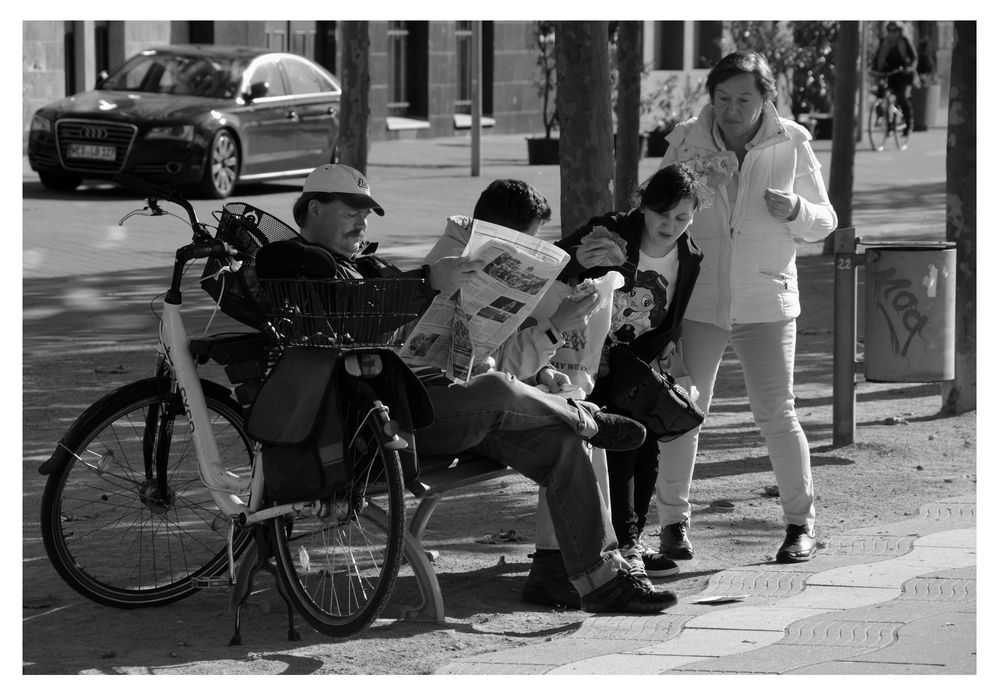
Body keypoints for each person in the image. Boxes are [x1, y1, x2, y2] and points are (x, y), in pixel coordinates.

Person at [257, 163, 679, 614]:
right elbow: (348, 308)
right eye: (351, 213)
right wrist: (426, 283)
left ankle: (599, 581)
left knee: (558, 441)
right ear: (315, 209)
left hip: (424, 401)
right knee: (499, 387)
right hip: (378, 424)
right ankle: (585, 417)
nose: (362, 224)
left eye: (367, 214)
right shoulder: (289, 262)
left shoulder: (361, 264)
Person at [654, 51, 838, 565]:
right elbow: (656, 210)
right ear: (710, 97)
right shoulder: (685, 139)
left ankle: (800, 524)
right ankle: (673, 525)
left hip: (767, 298)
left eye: (745, 99)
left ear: (766, 100)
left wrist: (796, 209)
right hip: (698, 299)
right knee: (684, 412)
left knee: (778, 414)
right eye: (723, 97)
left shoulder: (791, 140)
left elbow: (825, 221)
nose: (732, 109)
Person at [425, 178, 612, 610]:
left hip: (484, 404)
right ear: (501, 236)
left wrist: (545, 367)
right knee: (566, 414)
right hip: (443, 412)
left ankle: (569, 569)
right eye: (530, 241)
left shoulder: (488, 264)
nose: (532, 251)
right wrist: (553, 329)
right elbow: (467, 368)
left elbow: (493, 354)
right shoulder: (445, 267)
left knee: (571, 432)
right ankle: (583, 416)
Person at [556, 164, 704, 580]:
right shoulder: (613, 230)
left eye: (683, 217)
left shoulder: (691, 254)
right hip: (590, 356)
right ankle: (624, 544)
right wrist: (576, 260)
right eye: (663, 215)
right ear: (645, 206)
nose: (671, 226)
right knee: (621, 446)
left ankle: (633, 539)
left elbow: (672, 319)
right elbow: (551, 265)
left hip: (638, 361)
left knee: (648, 445)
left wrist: (652, 366)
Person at [873, 21, 917, 136]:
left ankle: (908, 123)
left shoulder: (905, 42)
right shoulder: (884, 42)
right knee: (882, 94)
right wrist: (875, 70)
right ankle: (886, 121)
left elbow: (914, 58)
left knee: (902, 97)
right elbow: (877, 58)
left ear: (900, 31)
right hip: (890, 74)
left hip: (904, 75)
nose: (892, 33)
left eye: (895, 31)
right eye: (889, 31)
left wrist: (910, 67)